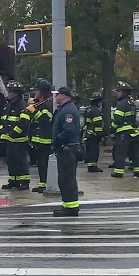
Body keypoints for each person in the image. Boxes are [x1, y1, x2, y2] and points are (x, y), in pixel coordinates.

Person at [53, 86, 83, 217]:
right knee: (64, 178)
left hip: (67, 148)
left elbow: (68, 130)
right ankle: (68, 205)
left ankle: (71, 208)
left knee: (67, 179)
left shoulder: (68, 111)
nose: (55, 97)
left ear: (63, 96)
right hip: (66, 148)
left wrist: (58, 141)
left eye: (57, 94)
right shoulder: (65, 109)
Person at [0, 81, 32, 191]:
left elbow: (24, 123)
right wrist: (2, 132)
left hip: (19, 140)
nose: (8, 93)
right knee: (10, 161)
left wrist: (13, 133)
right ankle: (14, 181)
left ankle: (25, 182)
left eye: (10, 91)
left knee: (21, 161)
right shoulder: (8, 104)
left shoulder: (22, 106)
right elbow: (3, 120)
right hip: (9, 140)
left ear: (17, 93)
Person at [110, 82, 139, 178]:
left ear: (123, 92)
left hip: (124, 133)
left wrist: (112, 128)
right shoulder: (131, 102)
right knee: (135, 152)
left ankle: (118, 172)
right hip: (134, 132)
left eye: (118, 91)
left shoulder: (121, 103)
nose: (117, 93)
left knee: (120, 152)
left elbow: (118, 118)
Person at [27, 79, 54, 193]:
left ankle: (44, 184)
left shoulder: (48, 104)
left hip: (45, 140)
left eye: (37, 90)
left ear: (43, 91)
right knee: (41, 163)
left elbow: (45, 120)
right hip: (39, 138)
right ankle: (42, 183)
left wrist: (33, 111)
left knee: (43, 162)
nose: (35, 93)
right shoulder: (42, 103)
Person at [83, 91, 106, 173]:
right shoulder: (96, 110)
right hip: (94, 135)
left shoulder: (88, 109)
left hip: (88, 134)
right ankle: (93, 167)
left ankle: (91, 166)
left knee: (90, 150)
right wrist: (101, 135)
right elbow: (98, 124)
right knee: (94, 151)